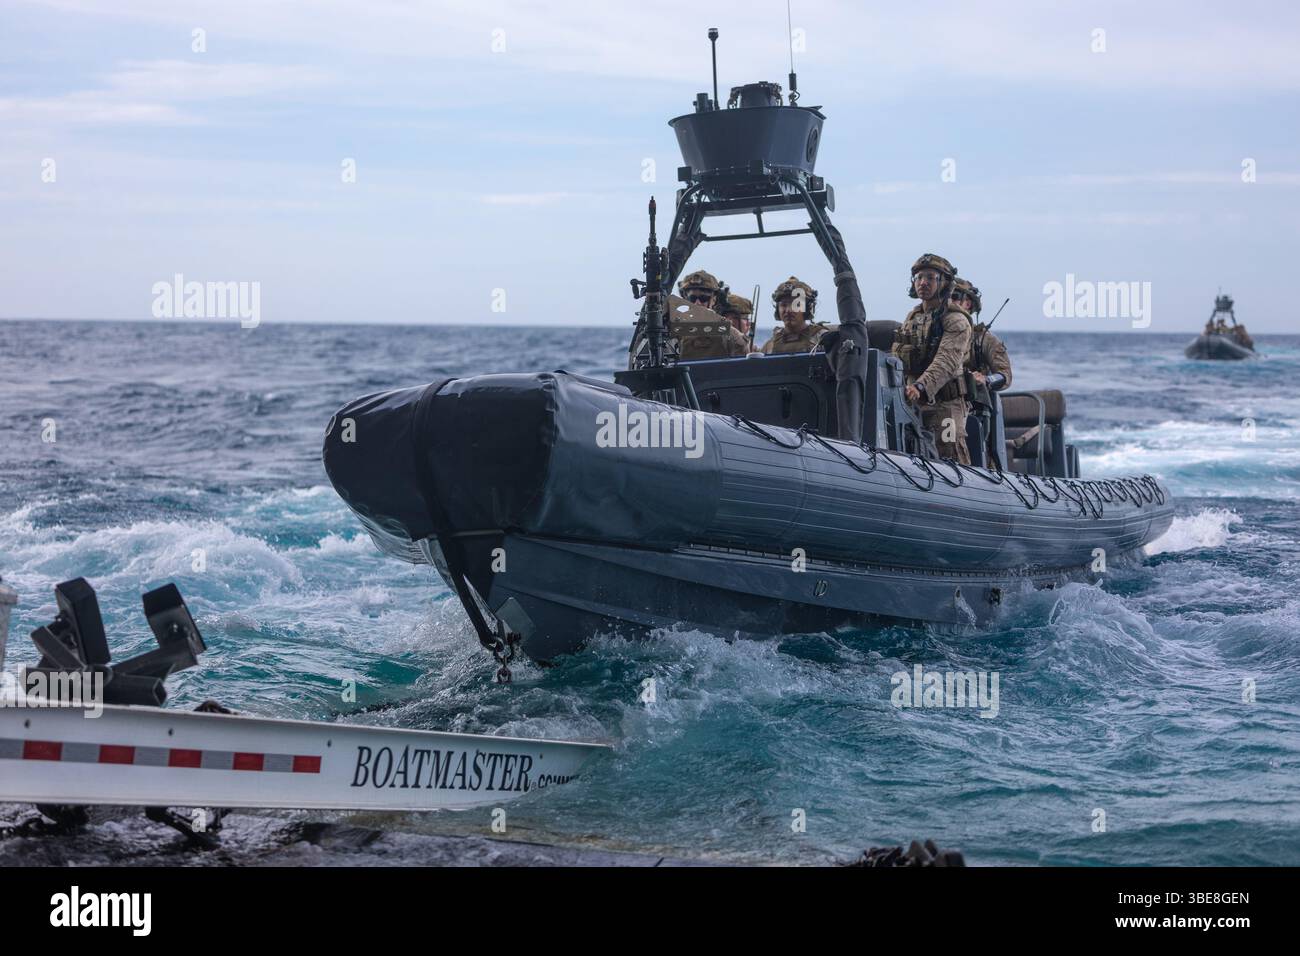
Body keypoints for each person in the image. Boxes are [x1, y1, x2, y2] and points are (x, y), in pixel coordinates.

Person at [892, 254, 973, 463]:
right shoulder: (913, 318)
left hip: (945, 405)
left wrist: (920, 387)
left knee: (951, 457)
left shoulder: (956, 320)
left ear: (944, 282)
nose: (923, 283)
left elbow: (946, 362)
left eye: (930, 277)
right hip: (912, 403)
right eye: (918, 278)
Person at [953, 278, 1012, 392]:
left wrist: (986, 379)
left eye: (955, 296)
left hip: (976, 402)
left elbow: (1005, 375)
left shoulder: (983, 339)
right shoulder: (934, 333)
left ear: (968, 304)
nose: (949, 302)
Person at [760, 277, 830, 354]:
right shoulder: (770, 345)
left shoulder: (821, 339)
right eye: (783, 305)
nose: (788, 310)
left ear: (807, 308)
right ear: (777, 309)